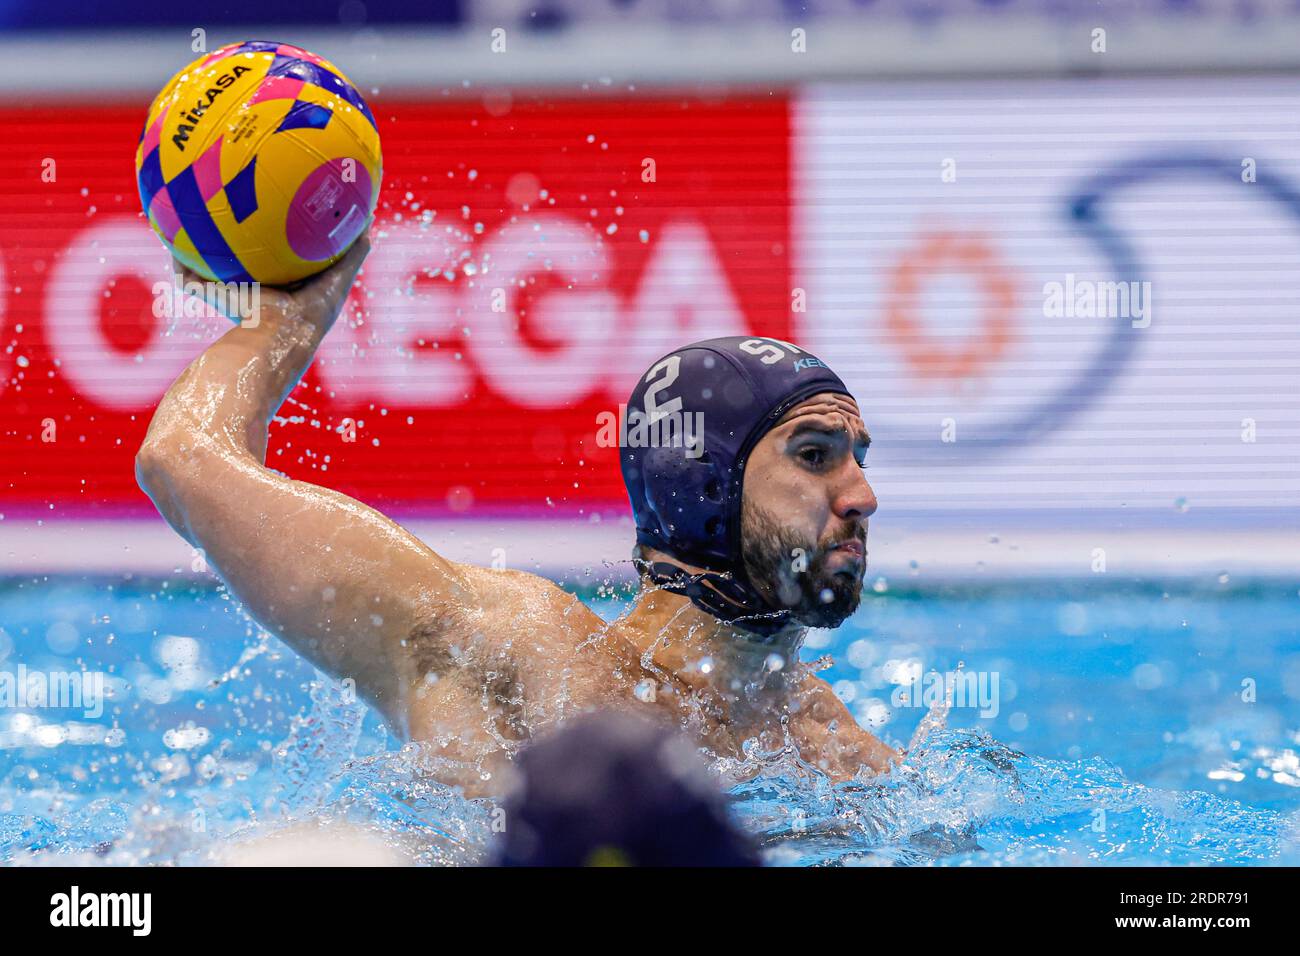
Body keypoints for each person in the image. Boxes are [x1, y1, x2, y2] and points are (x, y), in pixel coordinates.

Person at [136, 232, 899, 798]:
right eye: (814, 454)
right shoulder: (523, 659)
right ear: (707, 486)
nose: (861, 493)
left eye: (858, 456)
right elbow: (182, 457)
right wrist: (282, 326)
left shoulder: (834, 753)